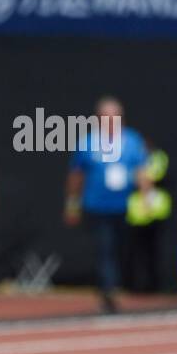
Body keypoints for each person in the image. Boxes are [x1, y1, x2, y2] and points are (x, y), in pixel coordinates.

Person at [64, 96, 151, 314]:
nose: (110, 121)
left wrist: (146, 197)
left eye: (114, 117)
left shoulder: (132, 141)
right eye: (105, 117)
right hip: (96, 206)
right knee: (105, 249)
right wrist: (72, 204)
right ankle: (108, 290)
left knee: (120, 249)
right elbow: (76, 176)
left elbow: (141, 171)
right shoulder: (88, 142)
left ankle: (113, 285)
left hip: (123, 206)